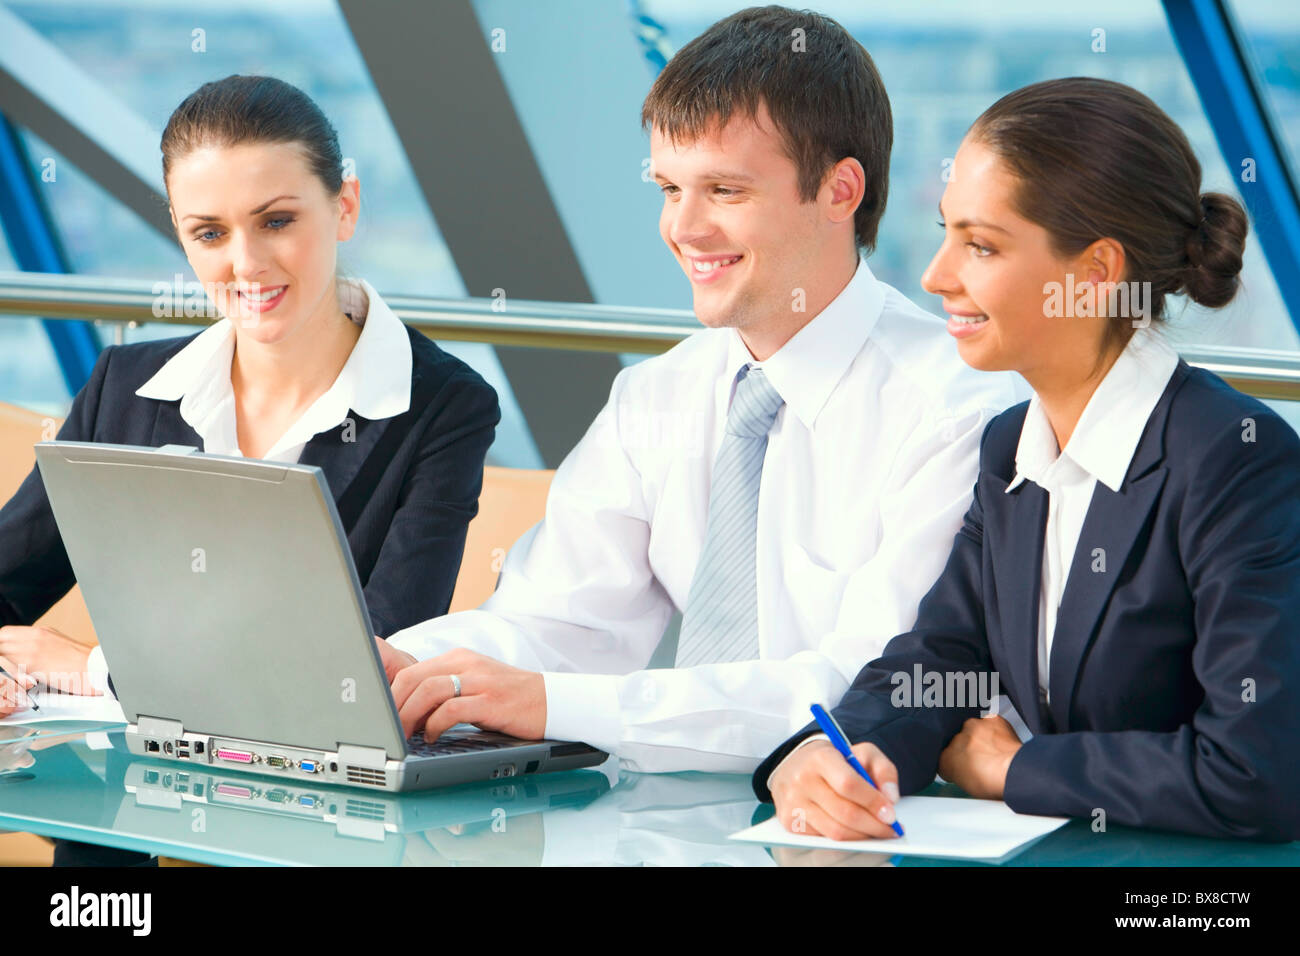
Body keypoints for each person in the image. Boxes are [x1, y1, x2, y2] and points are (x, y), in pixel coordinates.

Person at [376, 6, 1018, 773]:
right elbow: (555, 620)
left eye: (724, 190)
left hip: (884, 822)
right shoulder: (656, 398)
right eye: (668, 188)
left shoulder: (957, 412)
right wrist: (393, 665)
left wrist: (555, 703)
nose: (683, 227)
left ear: (841, 191)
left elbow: (869, 691)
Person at [755, 76, 1300, 842]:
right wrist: (841, 752)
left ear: (1096, 273)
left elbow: (1260, 771)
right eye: (946, 232)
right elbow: (943, 658)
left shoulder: (1235, 462)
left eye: (980, 244)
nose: (936, 275)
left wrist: (1018, 771)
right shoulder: (1011, 447)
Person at [0, 75, 500, 716]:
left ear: (344, 206)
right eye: (210, 234)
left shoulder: (442, 407)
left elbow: (368, 666)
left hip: (315, 801)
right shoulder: (123, 389)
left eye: (277, 221)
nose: (247, 263)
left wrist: (99, 669)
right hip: (122, 786)